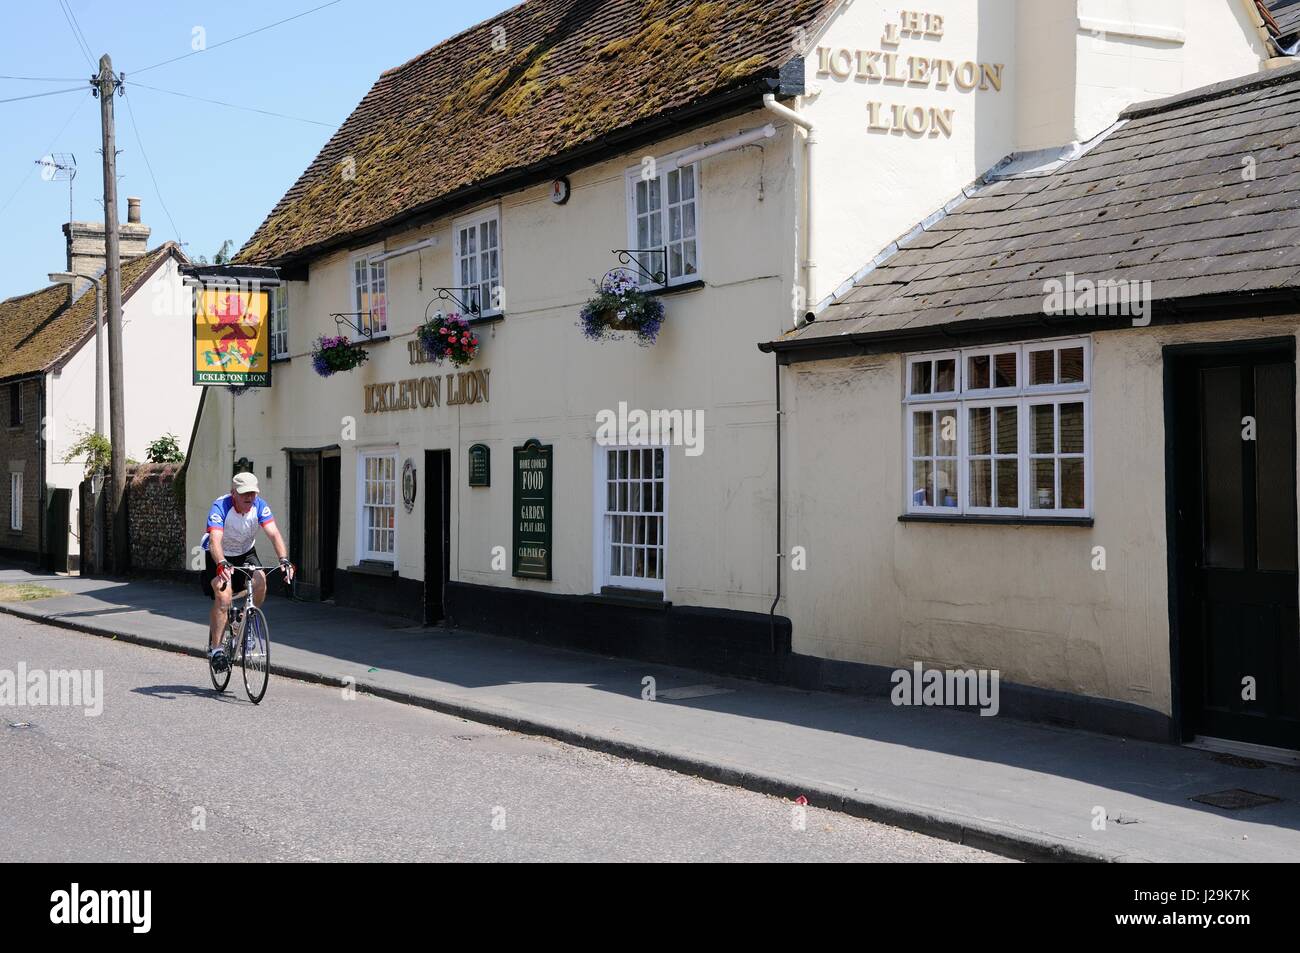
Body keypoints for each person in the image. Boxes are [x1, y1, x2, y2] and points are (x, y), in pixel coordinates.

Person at [200, 472, 293, 671]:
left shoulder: (260, 506)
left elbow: (274, 533)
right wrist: (221, 563)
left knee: (261, 581)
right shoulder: (221, 507)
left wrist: (283, 560)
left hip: (245, 551)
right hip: (219, 554)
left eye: (252, 493)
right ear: (233, 493)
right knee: (224, 598)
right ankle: (216, 650)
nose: (249, 498)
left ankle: (244, 619)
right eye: (244, 494)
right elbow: (215, 539)